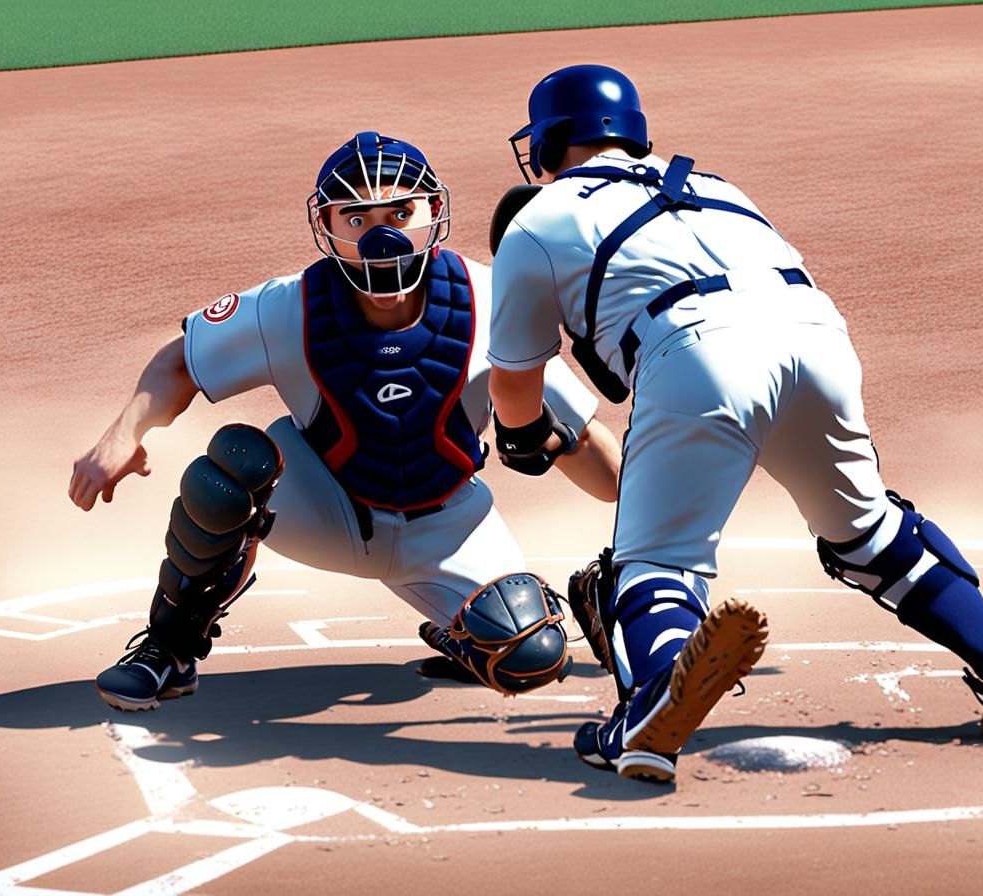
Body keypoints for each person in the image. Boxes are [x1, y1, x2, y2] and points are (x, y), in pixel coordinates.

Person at [486, 64, 983, 783]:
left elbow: (514, 379)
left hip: (698, 354)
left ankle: (653, 702)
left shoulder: (540, 217)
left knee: (656, 560)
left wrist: (522, 437)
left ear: (547, 139)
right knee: (869, 533)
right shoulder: (716, 185)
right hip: (818, 340)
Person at [69, 131, 622, 711]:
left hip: (449, 523)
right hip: (325, 504)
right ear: (327, 222)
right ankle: (168, 649)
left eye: (399, 212)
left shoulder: (491, 299)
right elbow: (181, 360)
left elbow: (578, 440)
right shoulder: (289, 306)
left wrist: (653, 520)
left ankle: (462, 632)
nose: (381, 235)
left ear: (433, 212)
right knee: (233, 468)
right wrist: (122, 434)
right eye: (356, 217)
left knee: (529, 652)